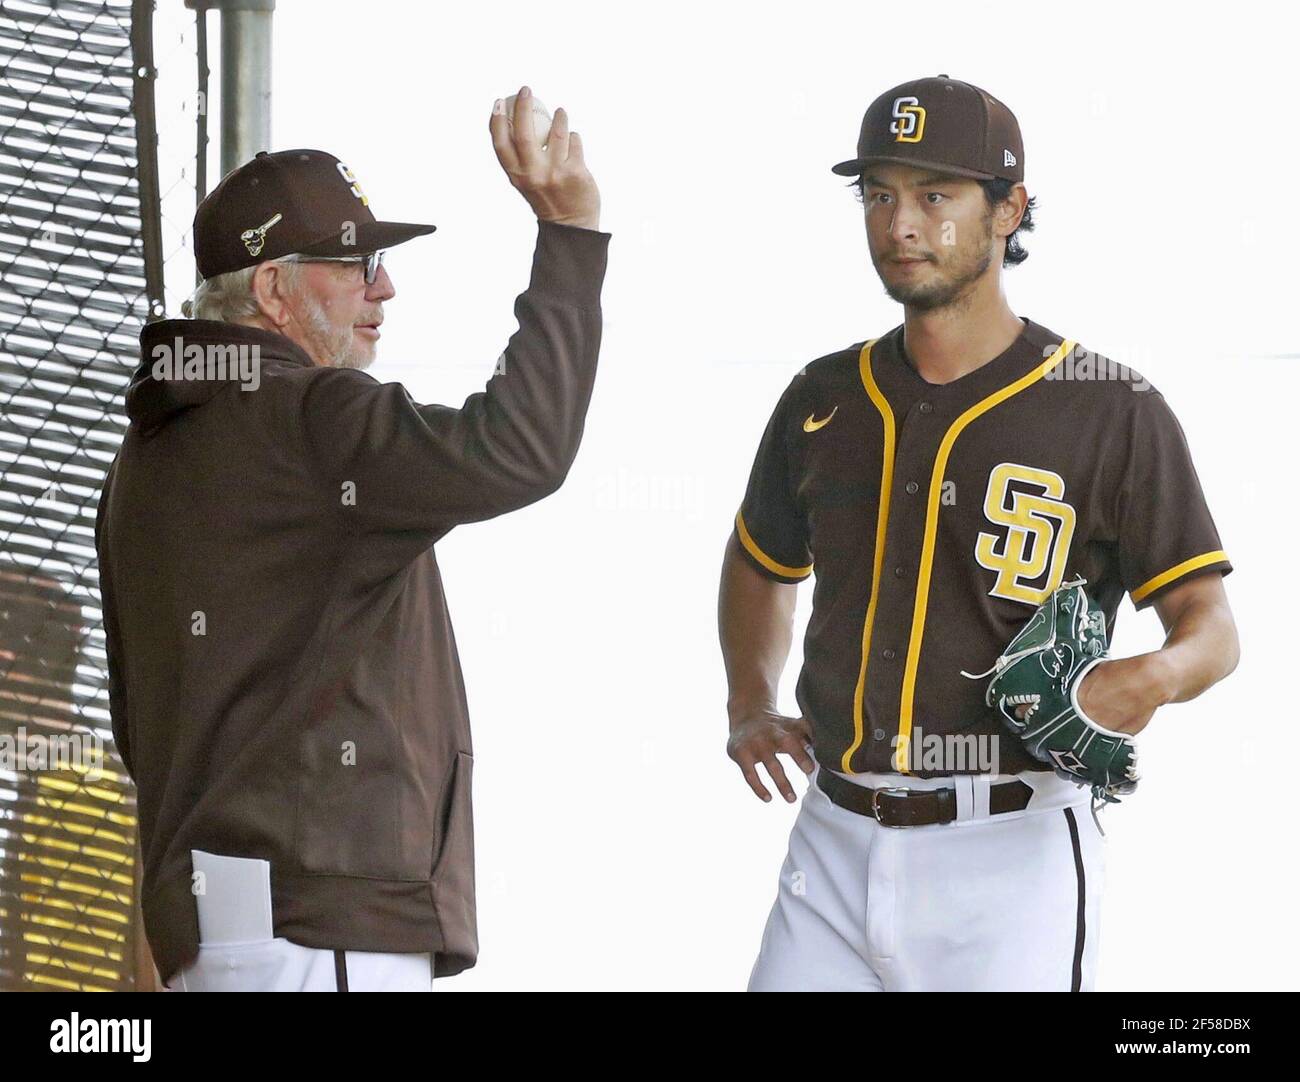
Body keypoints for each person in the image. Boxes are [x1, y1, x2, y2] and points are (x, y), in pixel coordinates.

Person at [718, 75, 1239, 992]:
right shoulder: (823, 395)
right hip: (831, 842)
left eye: (935, 194)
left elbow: (1213, 629)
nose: (900, 225)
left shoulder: (1110, 408)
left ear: (1010, 209)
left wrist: (1152, 676)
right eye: (879, 195)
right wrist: (748, 701)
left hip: (1014, 849)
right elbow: (762, 560)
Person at [95, 87, 608, 991]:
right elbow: (519, 449)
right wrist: (570, 236)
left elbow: (144, 734)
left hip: (218, 939)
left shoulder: (141, 462)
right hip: (318, 932)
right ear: (273, 290)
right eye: (354, 263)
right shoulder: (310, 414)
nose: (385, 286)